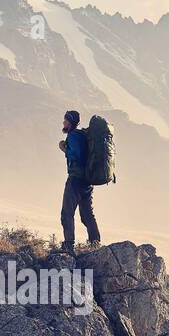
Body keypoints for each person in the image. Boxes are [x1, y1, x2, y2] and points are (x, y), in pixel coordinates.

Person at [59, 109, 101, 254]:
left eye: (65, 120)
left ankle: (69, 245)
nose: (63, 122)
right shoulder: (83, 135)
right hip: (87, 181)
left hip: (75, 180)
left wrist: (64, 148)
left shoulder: (73, 136)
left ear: (70, 122)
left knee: (67, 213)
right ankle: (95, 243)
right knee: (87, 214)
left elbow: (77, 155)